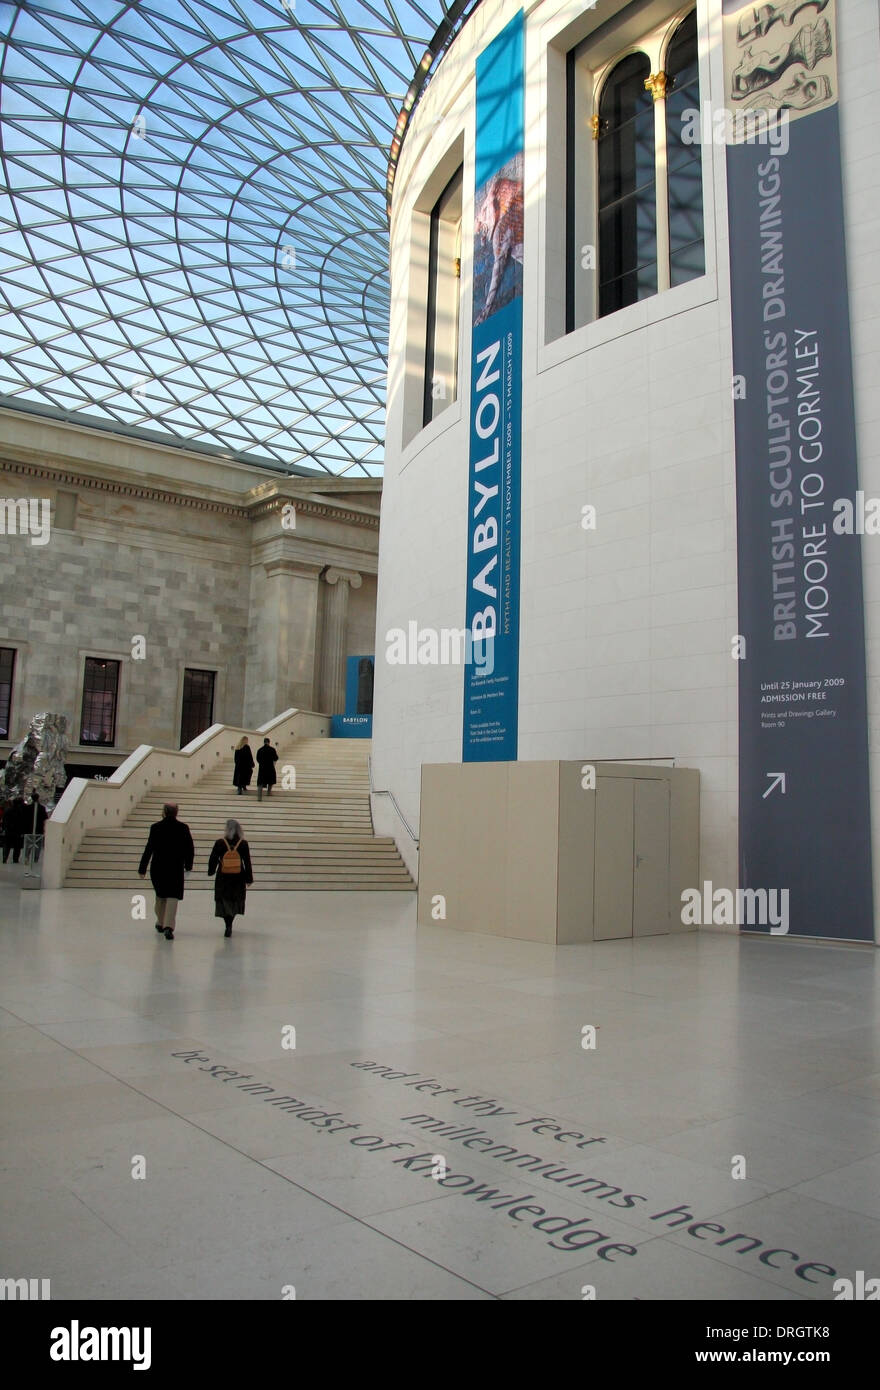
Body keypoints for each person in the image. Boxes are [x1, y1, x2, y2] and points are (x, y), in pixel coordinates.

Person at [138, 803, 195, 941]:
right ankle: (168, 926)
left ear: (163, 812)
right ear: (176, 812)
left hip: (158, 867)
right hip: (175, 868)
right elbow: (189, 848)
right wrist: (188, 865)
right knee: (172, 897)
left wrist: (142, 868)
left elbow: (149, 848)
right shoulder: (183, 828)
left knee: (160, 896)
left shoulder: (156, 828)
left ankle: (161, 922)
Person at [208, 818, 253, 937]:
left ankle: (227, 924)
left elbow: (213, 859)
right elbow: (247, 862)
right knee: (235, 900)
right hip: (238, 877)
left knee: (224, 899)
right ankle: (230, 923)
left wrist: (211, 871)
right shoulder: (243, 843)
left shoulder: (220, 842)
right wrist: (249, 878)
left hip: (223, 876)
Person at [1, 795, 27, 864]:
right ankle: (15, 859)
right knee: (17, 846)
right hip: (17, 831)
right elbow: (23, 822)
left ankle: (4, 858)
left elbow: (4, 820)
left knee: (7, 845)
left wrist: (4, 828)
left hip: (8, 831)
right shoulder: (21, 811)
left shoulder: (8, 810)